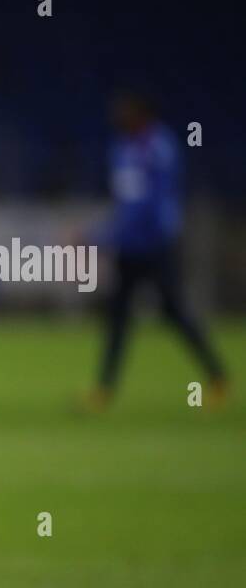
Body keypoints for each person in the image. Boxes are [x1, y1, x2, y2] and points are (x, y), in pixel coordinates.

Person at [86, 91, 229, 409]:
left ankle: (218, 377)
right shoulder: (122, 148)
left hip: (155, 246)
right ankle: (103, 390)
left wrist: (99, 236)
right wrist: (111, 235)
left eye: (124, 110)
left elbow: (145, 206)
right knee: (118, 318)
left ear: (141, 115)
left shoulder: (160, 148)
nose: (117, 116)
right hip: (129, 247)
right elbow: (126, 204)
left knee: (173, 313)